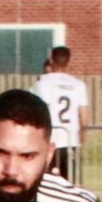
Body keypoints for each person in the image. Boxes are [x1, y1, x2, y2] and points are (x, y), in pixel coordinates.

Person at [31, 46, 90, 183]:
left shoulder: (42, 83)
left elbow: (40, 111)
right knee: (72, 184)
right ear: (68, 61)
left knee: (49, 184)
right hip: (71, 141)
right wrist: (81, 137)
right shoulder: (79, 85)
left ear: (51, 60)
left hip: (51, 141)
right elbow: (84, 116)